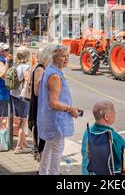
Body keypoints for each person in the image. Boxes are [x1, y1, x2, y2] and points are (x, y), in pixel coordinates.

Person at [37, 45, 81, 175]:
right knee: (56, 152)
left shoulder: (50, 71)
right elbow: (54, 103)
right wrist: (70, 109)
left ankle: (43, 172)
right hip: (56, 121)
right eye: (63, 56)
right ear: (55, 58)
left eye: (67, 56)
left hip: (50, 119)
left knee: (49, 148)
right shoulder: (55, 75)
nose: (66, 59)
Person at [81, 101, 125, 175]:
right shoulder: (114, 138)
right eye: (113, 111)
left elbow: (84, 152)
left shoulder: (88, 133)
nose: (115, 113)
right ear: (106, 117)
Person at [28, 44, 56, 161]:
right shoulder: (40, 68)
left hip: (40, 106)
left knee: (41, 134)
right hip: (40, 106)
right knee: (41, 135)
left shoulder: (39, 67)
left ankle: (41, 158)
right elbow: (37, 90)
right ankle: (41, 159)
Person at [10, 46, 32, 154]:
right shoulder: (25, 67)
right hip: (22, 97)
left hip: (14, 95)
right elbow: (27, 79)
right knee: (23, 122)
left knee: (20, 121)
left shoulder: (15, 66)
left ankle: (24, 143)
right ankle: (19, 147)